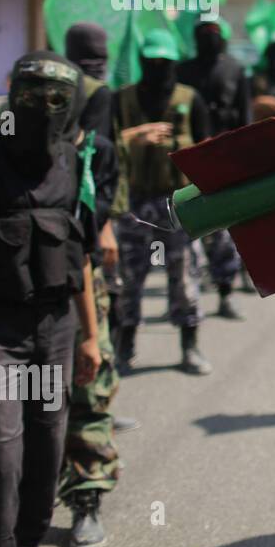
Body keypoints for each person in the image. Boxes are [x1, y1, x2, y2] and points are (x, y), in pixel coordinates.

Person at [0, 52, 103, 547]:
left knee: (44, 462)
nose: (43, 105)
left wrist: (90, 335)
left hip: (55, 331)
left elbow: (80, 254)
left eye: (57, 97)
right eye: (30, 93)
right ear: (11, 93)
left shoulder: (72, 161)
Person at [61, 26, 127, 547]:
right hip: (21, 281)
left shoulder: (95, 133)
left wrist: (102, 224)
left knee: (89, 381)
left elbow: (103, 187)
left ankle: (86, 499)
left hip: (80, 270)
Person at [113, 31, 213, 375]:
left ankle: (189, 345)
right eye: (151, 61)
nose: (157, 67)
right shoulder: (121, 101)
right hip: (134, 204)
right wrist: (135, 137)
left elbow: (208, 151)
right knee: (128, 279)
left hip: (178, 205)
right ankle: (124, 345)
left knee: (184, 276)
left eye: (163, 62)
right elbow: (102, 148)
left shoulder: (191, 99)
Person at [177, 19, 251, 320]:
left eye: (214, 32)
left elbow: (245, 119)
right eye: (203, 32)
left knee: (223, 232)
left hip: (224, 159)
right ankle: (186, 304)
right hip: (187, 162)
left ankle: (225, 293)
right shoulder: (182, 71)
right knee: (186, 234)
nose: (208, 38)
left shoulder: (235, 69)